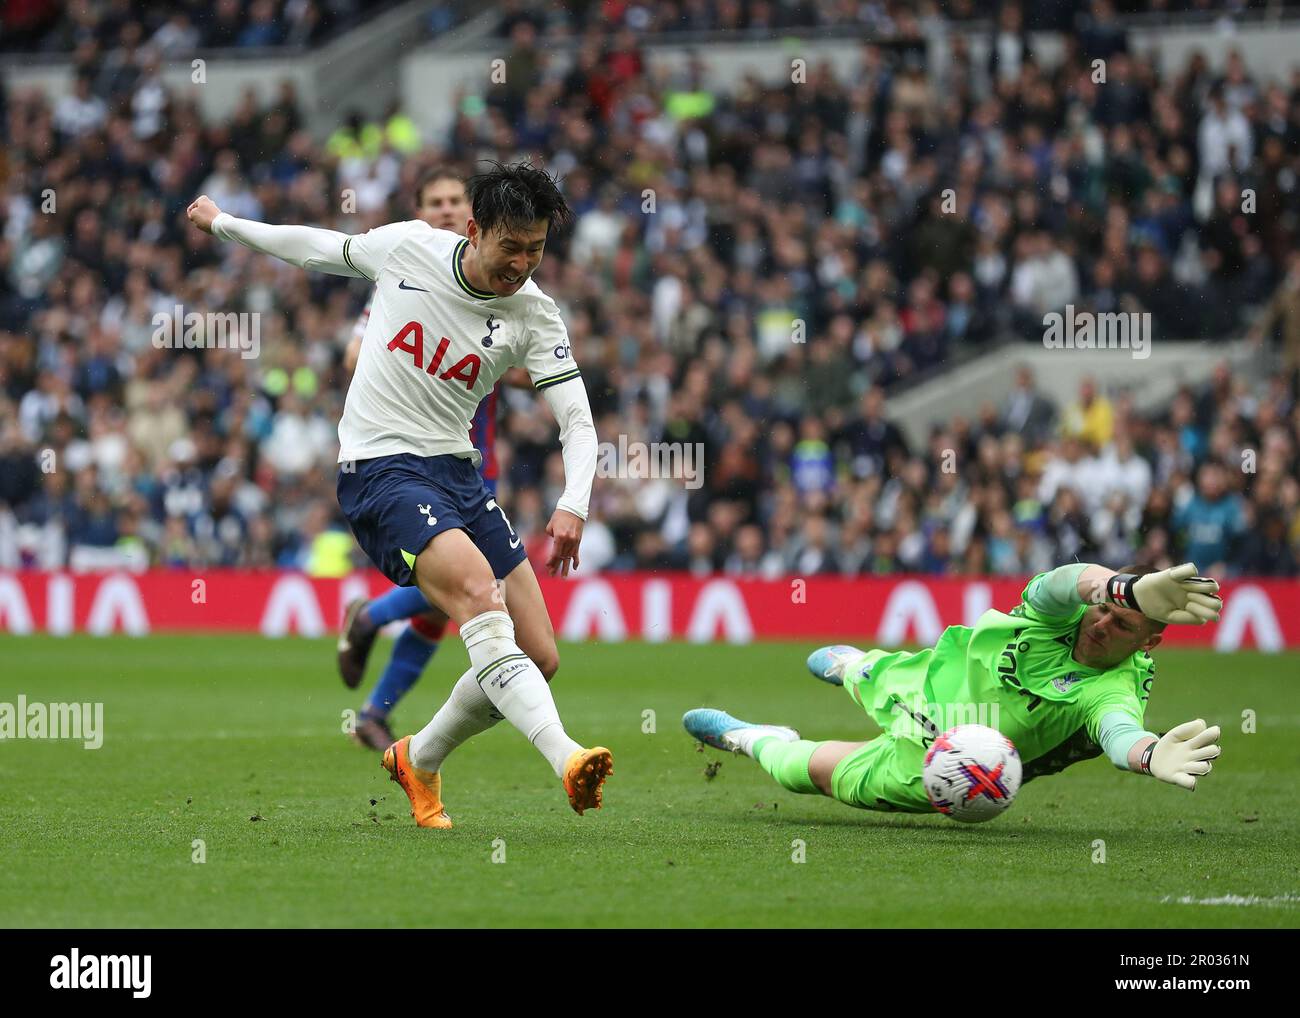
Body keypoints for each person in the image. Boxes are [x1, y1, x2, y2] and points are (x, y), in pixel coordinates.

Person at [187, 161, 611, 827]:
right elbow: (318, 247)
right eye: (510, 247)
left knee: (540, 654)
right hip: (380, 468)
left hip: (458, 474)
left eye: (535, 250)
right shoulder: (409, 247)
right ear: (474, 231)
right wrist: (226, 224)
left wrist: (574, 502)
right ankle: (565, 757)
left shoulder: (535, 314)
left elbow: (577, 419)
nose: (522, 264)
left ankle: (420, 756)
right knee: (476, 593)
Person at [684, 562, 1223, 816]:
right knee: (841, 666)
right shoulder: (1064, 610)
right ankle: (856, 668)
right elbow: (1062, 581)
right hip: (929, 682)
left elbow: (1119, 731)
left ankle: (754, 738)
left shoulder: (1109, 689)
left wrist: (1148, 753)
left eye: (1122, 625)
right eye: (1103, 610)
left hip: (957, 764)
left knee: (813, 778)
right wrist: (1118, 587)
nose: (1102, 624)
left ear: (1149, 641)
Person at [334, 166, 526, 752]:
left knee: (447, 608)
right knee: (469, 586)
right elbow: (350, 355)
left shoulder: (496, 283)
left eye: (454, 202)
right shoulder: (403, 280)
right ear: (417, 213)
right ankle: (371, 629)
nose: (444, 211)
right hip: (410, 460)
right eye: (433, 203)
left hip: (472, 462)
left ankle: (374, 706)